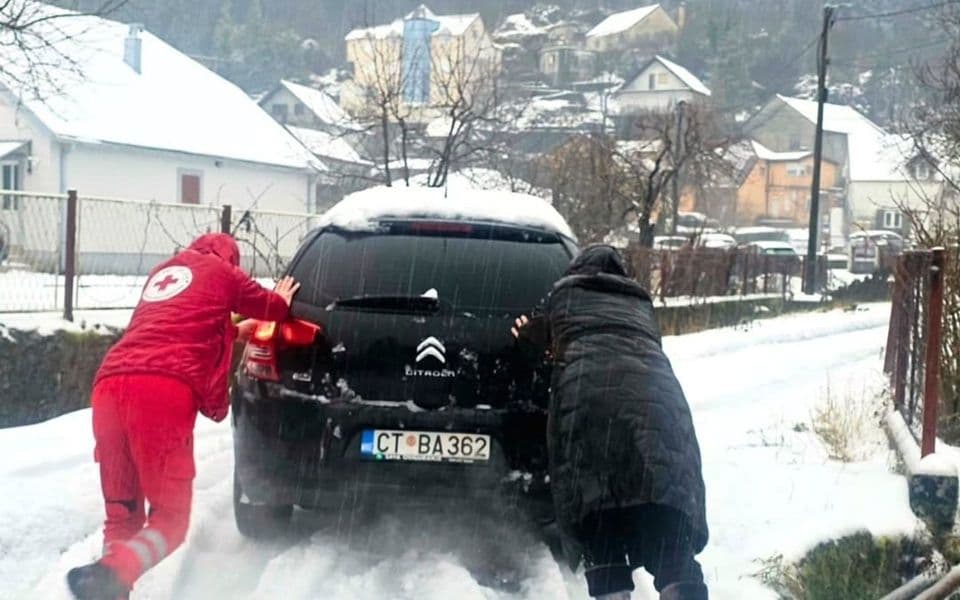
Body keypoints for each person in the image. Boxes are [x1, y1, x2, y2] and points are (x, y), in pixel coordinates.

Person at [67, 233, 300, 600]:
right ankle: (111, 573)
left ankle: (108, 589)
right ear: (230, 259)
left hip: (109, 385)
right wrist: (281, 300)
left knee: (122, 513)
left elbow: (179, 325)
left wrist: (233, 332)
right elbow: (270, 307)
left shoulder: (163, 271)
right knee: (170, 521)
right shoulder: (223, 272)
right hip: (160, 391)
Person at [512, 245, 708, 600]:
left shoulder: (564, 299)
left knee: (600, 523)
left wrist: (526, 335)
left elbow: (532, 346)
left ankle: (612, 590)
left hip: (590, 414)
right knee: (667, 530)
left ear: (576, 273)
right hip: (659, 416)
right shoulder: (640, 304)